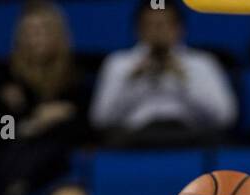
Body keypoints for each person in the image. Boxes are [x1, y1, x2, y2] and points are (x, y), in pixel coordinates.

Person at [0, 1, 89, 195]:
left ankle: (18, 187)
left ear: (58, 35)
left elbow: (86, 129)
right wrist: (16, 118)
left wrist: (52, 121)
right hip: (14, 146)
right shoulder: (6, 77)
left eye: (43, 30)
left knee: (51, 148)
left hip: (55, 153)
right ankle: (11, 190)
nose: (35, 38)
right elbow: (0, 132)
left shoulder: (75, 77)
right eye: (29, 32)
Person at [89, 0, 236, 146]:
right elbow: (100, 119)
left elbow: (225, 116)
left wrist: (184, 80)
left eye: (165, 25)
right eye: (150, 25)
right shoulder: (119, 63)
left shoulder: (201, 63)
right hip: (136, 137)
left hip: (188, 135)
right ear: (138, 29)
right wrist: (132, 80)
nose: (158, 32)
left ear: (179, 28)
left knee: (215, 139)